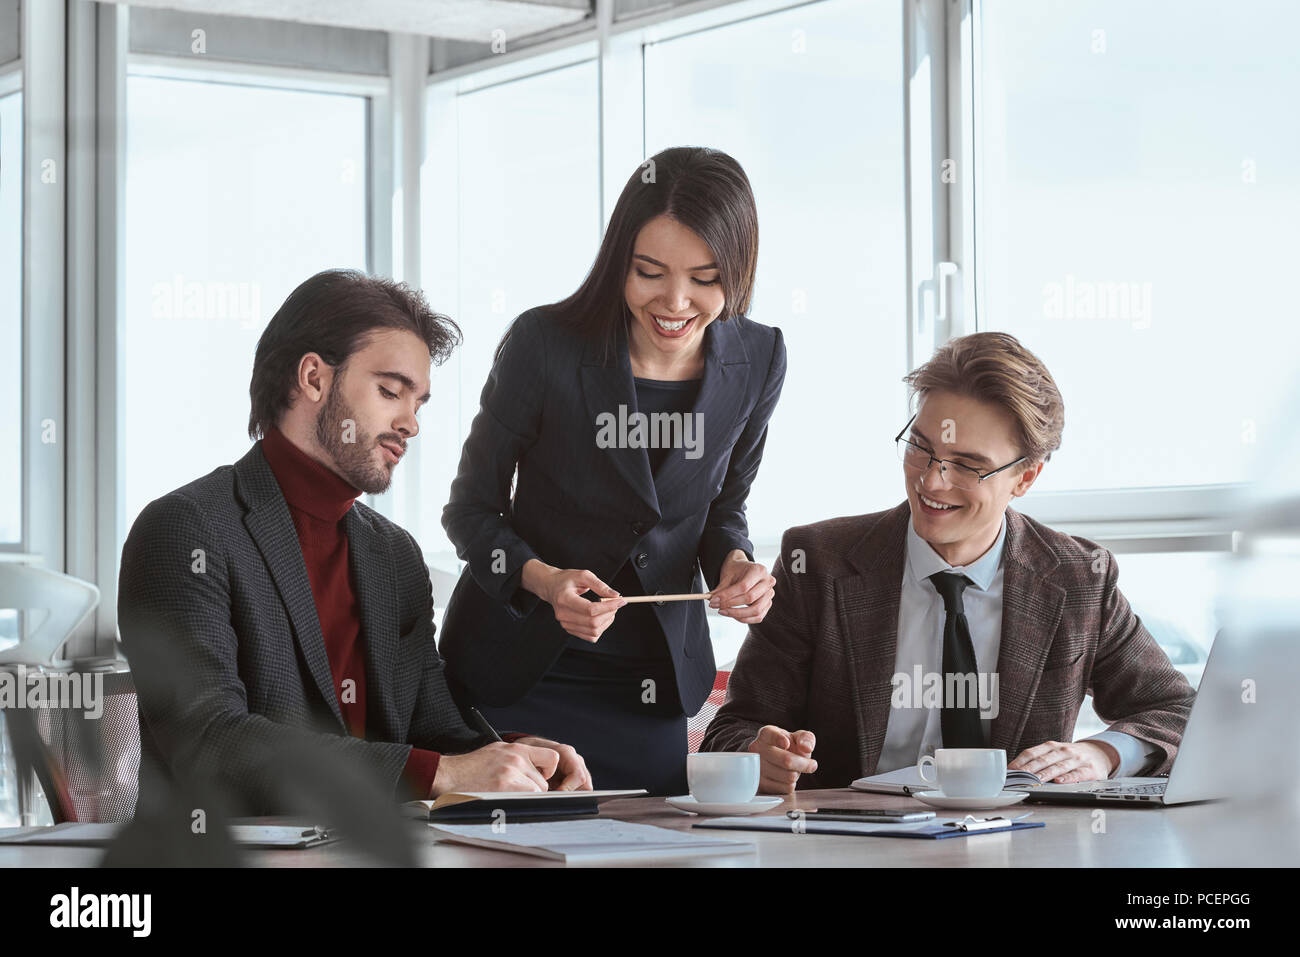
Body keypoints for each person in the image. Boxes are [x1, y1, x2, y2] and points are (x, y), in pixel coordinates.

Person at [119, 269, 591, 816]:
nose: (410, 423)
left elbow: (431, 728)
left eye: (419, 404)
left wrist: (508, 758)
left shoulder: (393, 554)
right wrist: (443, 770)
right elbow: (210, 743)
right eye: (390, 391)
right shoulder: (184, 530)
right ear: (314, 379)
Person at [701, 332, 1196, 794]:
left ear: (1025, 478)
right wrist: (756, 755)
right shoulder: (818, 563)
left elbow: (1178, 709)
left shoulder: (1078, 579)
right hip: (849, 844)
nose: (933, 482)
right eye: (921, 447)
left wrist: (1103, 752)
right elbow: (732, 727)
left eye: (968, 465)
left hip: (1015, 848)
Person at [438, 147, 787, 795]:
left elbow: (721, 511)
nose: (675, 302)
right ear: (617, 261)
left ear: (737, 271)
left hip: (646, 693)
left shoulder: (760, 356)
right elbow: (469, 512)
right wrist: (545, 580)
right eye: (648, 271)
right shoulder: (545, 344)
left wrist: (735, 564)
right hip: (519, 683)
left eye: (706, 278)